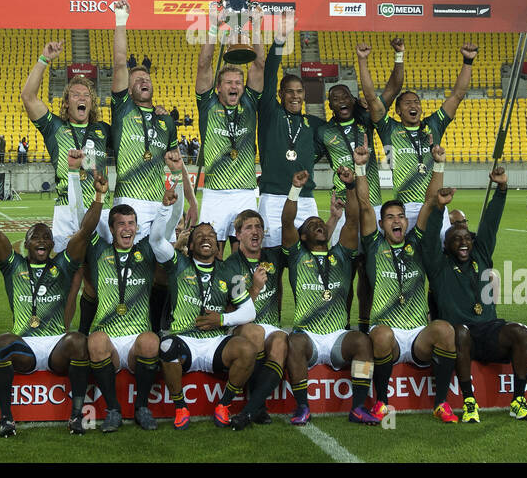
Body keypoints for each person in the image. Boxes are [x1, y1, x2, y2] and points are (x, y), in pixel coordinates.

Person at [0, 155, 96, 437]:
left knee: (79, 340)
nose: (42, 240)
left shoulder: (62, 266)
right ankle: (6, 418)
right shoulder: (13, 265)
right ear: (26, 243)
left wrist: (100, 198)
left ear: (53, 244)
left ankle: (77, 415)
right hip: (26, 349)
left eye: (46, 237)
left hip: (57, 348)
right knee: (2, 343)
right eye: (36, 236)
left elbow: (85, 232)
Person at [421, 152, 527, 421]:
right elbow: (428, 241)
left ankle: (519, 400)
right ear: (446, 245)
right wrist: (439, 208)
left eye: (467, 238)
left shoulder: (481, 256)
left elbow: (490, 224)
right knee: (459, 331)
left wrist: (502, 188)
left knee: (520, 332)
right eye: (456, 239)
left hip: (489, 331)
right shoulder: (439, 266)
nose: (463, 242)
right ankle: (469, 401)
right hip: (462, 337)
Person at [84, 149, 186, 432]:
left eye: (131, 224)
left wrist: (169, 199)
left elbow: (164, 230)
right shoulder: (98, 251)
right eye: (121, 225)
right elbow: (85, 221)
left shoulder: (146, 250)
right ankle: (114, 410)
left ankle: (142, 407)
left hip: (136, 339)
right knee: (94, 341)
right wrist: (98, 195)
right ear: (112, 229)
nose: (127, 229)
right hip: (109, 337)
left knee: (152, 341)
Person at [360, 172, 469, 423]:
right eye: (389, 218)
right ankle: (381, 402)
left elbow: (429, 202)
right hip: (389, 335)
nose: (396, 221)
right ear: (381, 224)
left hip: (418, 334)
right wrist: (360, 168)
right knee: (381, 334)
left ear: (406, 223)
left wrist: (439, 167)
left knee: (444, 330)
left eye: (400, 217)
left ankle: (441, 403)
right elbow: (365, 205)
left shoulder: (417, 245)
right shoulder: (374, 246)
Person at [283, 149, 378, 426]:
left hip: (338, 336)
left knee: (362, 341)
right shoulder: (297, 256)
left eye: (320, 224)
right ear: (302, 237)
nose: (319, 226)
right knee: (294, 343)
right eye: (312, 226)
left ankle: (359, 406)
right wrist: (295, 189)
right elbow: (287, 221)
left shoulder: (341, 254)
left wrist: (350, 186)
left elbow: (352, 219)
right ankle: (303, 407)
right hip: (308, 336)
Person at [360, 41, 477, 231]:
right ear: (397, 110)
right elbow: (372, 98)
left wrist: (467, 62)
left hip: (434, 204)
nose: (413, 105)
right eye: (407, 103)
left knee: (437, 255)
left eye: (416, 102)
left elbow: (457, 95)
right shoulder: (388, 128)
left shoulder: (434, 125)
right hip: (403, 210)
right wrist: (363, 61)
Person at [158, 218, 261, 431]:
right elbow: (156, 241)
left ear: (217, 245)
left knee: (248, 350)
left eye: (211, 236)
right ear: (191, 245)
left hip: (216, 343)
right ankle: (180, 408)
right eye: (200, 236)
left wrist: (222, 319)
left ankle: (223, 405)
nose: (206, 238)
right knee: (165, 346)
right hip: (184, 340)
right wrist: (168, 210)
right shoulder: (178, 263)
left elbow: (249, 311)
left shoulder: (230, 273)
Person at [22, 40, 111, 251]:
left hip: (101, 208)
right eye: (75, 95)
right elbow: (28, 97)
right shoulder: (55, 127)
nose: (82, 97)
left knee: (100, 275)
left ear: (91, 103)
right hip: (66, 210)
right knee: (67, 275)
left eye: (86, 95)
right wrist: (44, 59)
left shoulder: (103, 130)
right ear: (66, 102)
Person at [316, 36, 405, 242]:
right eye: (335, 99)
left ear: (353, 100)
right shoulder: (323, 132)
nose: (341, 101)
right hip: (343, 207)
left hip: (372, 204)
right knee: (343, 265)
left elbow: (393, 90)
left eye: (345, 97)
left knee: (371, 265)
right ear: (329, 106)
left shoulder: (366, 118)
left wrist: (398, 55)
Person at [108, 0, 180, 242]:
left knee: (163, 267)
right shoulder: (123, 109)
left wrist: (187, 198)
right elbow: (119, 63)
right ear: (127, 89)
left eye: (146, 79)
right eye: (136, 80)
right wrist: (121, 20)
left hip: (160, 201)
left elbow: (176, 162)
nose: (143, 81)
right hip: (128, 201)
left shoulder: (166, 121)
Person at [194, 5, 266, 249]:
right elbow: (204, 65)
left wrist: (255, 26)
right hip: (214, 192)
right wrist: (214, 25)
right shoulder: (207, 104)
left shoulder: (249, 102)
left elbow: (259, 65)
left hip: (245, 192)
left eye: (238, 82)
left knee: (245, 255)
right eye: (228, 82)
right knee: (209, 254)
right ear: (218, 87)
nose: (234, 86)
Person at [256, 13, 325, 245]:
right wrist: (279, 41)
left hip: (305, 200)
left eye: (299, 92)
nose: (295, 96)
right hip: (273, 199)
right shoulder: (271, 114)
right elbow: (268, 76)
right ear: (280, 94)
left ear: (305, 95)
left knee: (313, 257)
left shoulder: (313, 124)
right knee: (272, 258)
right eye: (289, 91)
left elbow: (336, 136)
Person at [219, 210, 288, 426]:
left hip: (270, 325)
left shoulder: (273, 257)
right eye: (249, 227)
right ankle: (258, 408)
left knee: (280, 341)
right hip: (242, 327)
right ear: (238, 234)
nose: (255, 231)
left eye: (258, 227)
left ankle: (249, 411)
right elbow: (229, 309)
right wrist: (256, 289)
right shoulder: (230, 265)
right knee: (256, 333)